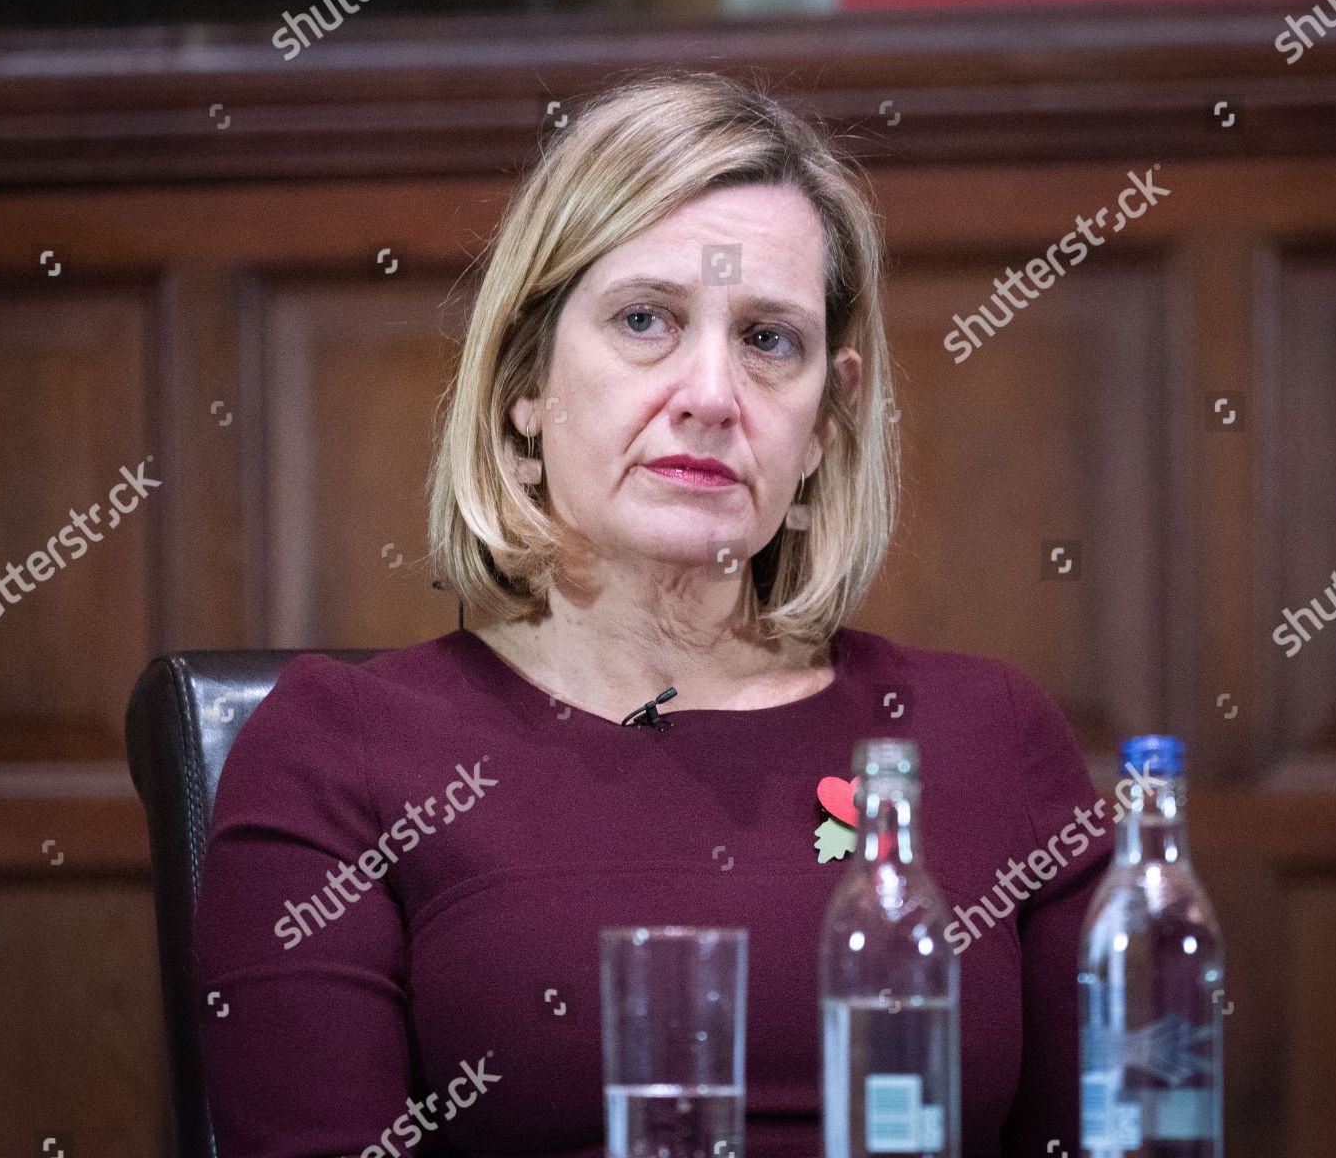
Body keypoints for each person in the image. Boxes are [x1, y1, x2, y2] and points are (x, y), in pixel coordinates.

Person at [193, 69, 1111, 1158]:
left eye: (770, 340)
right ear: (521, 386)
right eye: (646, 321)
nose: (713, 395)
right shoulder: (338, 748)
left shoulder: (984, 737)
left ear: (824, 421)